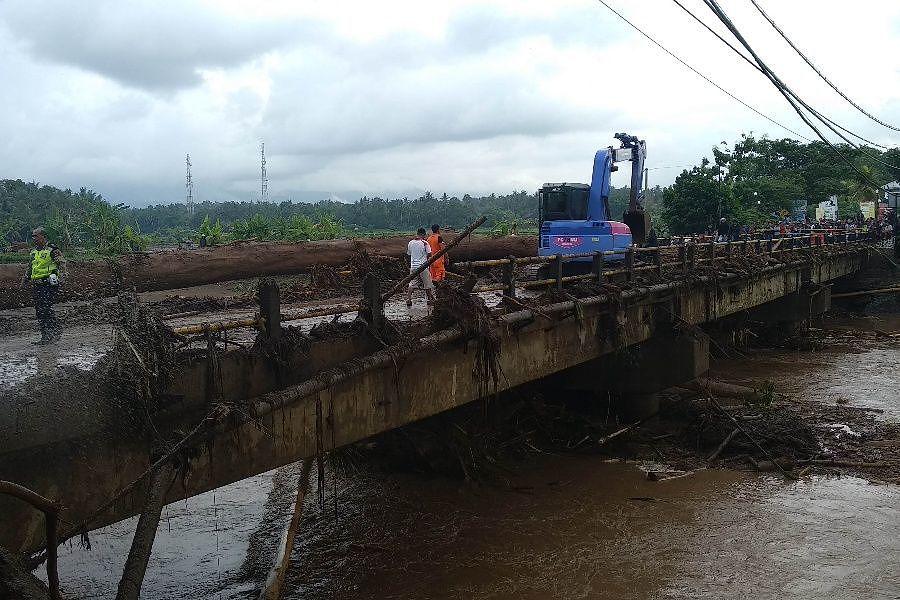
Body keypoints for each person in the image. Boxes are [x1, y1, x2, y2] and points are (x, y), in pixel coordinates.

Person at [21, 227, 64, 344]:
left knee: (44, 308)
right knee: (39, 311)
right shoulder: (34, 251)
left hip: (49, 284)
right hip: (37, 285)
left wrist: (62, 279)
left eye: (36, 236)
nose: (34, 238)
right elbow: (30, 267)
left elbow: (62, 264)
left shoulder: (52, 249)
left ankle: (54, 330)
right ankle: (45, 336)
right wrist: (25, 279)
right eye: (33, 236)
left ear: (43, 236)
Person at [406, 227, 435, 307]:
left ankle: (408, 299)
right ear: (423, 234)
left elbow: (409, 254)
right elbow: (430, 254)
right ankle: (429, 299)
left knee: (412, 283)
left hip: (413, 266)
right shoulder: (425, 243)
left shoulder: (410, 243)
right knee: (427, 283)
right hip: (423, 266)